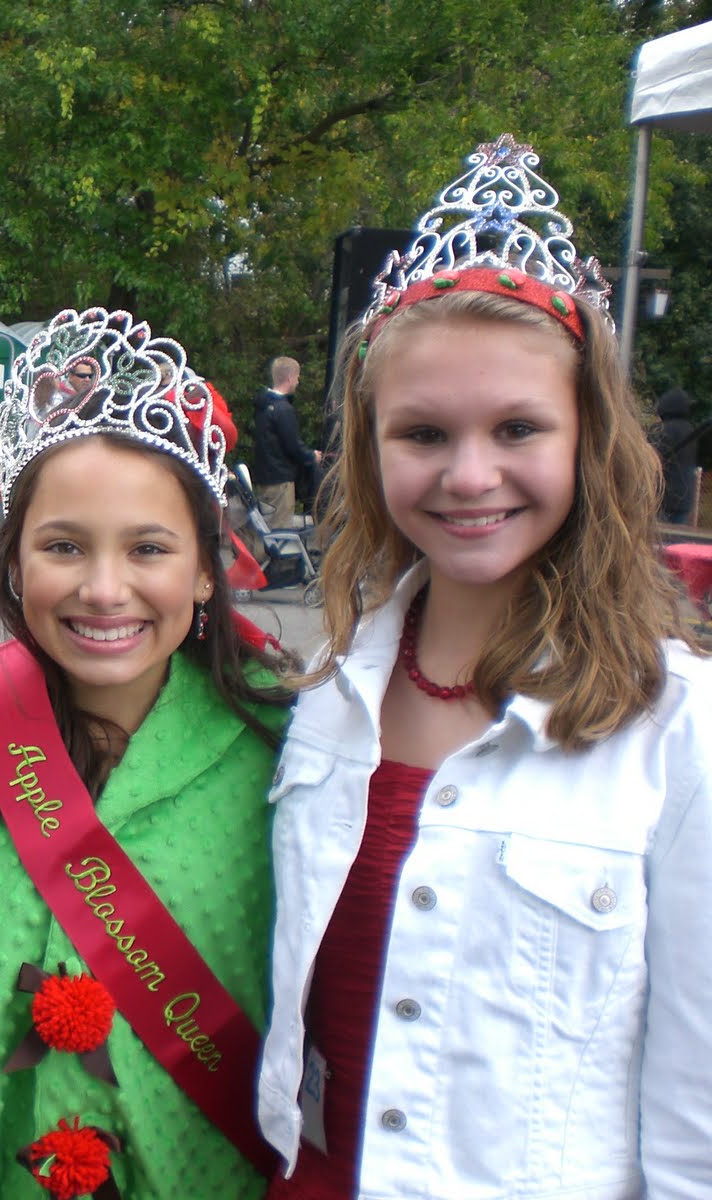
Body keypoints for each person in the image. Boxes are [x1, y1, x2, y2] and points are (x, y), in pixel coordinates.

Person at [258, 134, 712, 1200]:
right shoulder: (329, 693)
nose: (470, 476)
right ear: (369, 447)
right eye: (422, 432)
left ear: (586, 438)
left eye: (517, 427)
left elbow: (696, 1117)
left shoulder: (676, 731)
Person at [0, 307, 292, 1199]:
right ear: (15, 562)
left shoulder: (286, 737)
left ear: (208, 569)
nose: (102, 589)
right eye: (62, 547)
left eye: (149, 549)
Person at [249, 357, 319, 532]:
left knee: (265, 525)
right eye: (297, 377)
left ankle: (261, 557)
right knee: (279, 528)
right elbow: (292, 445)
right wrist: (311, 456)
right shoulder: (283, 410)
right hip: (280, 479)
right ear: (289, 378)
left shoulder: (263, 405)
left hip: (265, 476)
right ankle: (277, 559)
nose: (297, 381)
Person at [654, 387, 700, 525]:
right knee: (677, 539)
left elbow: (653, 458)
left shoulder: (663, 430)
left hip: (665, 497)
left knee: (659, 539)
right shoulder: (690, 430)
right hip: (685, 498)